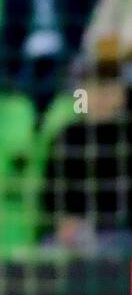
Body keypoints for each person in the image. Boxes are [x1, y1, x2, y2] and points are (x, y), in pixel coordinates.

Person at [42, 57, 132, 253]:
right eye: (91, 89)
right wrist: (65, 221)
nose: (100, 97)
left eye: (108, 89)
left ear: (122, 94)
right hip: (75, 231)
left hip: (120, 232)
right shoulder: (66, 137)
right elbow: (53, 192)